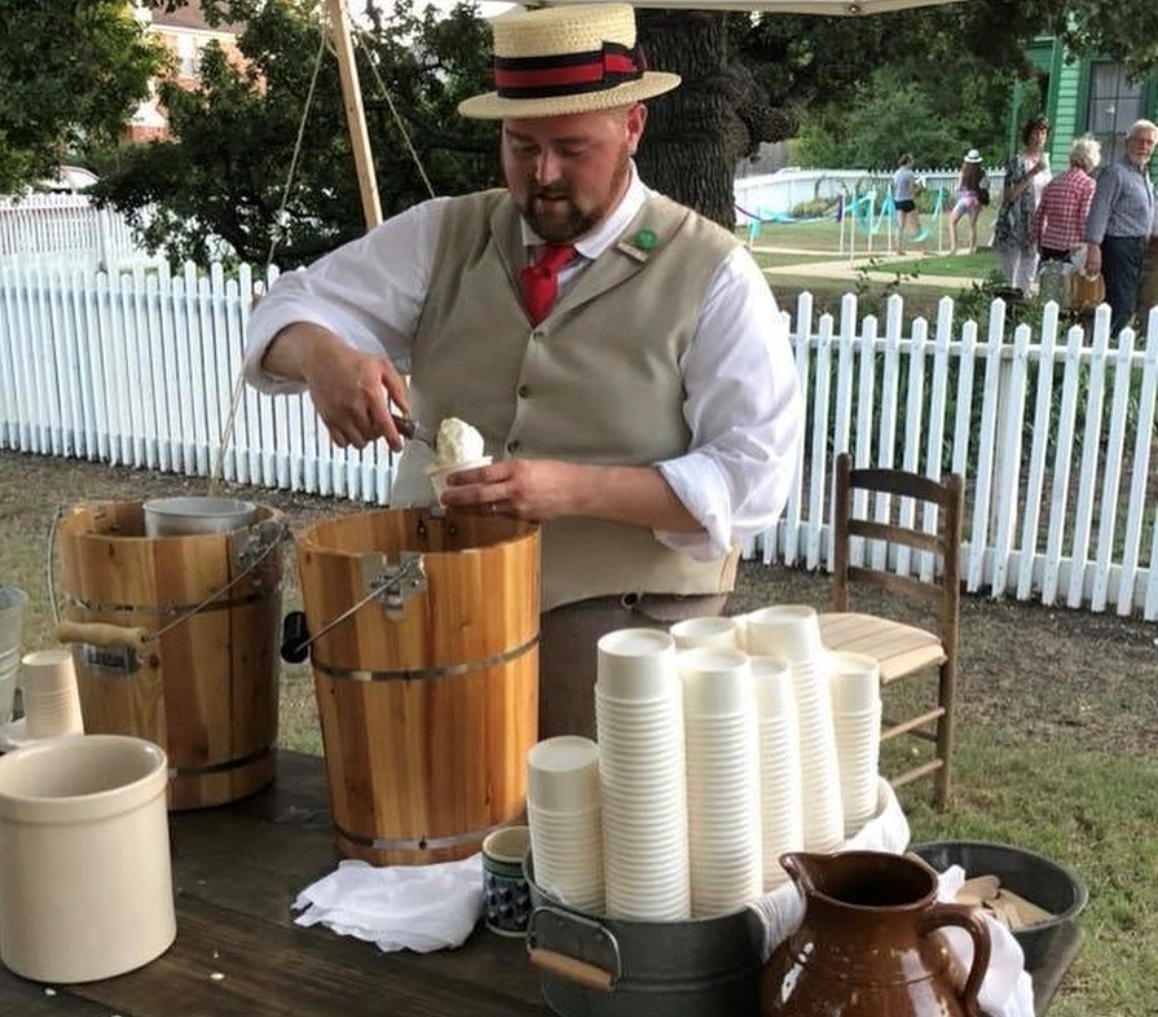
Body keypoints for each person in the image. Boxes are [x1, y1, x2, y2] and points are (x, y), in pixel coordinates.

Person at [242, 3, 802, 740]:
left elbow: (752, 477)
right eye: (520, 145)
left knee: (599, 838)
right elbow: (284, 306)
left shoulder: (713, 274)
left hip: (626, 630)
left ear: (633, 125)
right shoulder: (445, 233)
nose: (543, 175)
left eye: (572, 147)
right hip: (441, 604)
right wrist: (321, 356)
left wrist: (568, 488)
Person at [1083, 119, 1158, 337]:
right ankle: (1104, 347)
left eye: (1149, 143)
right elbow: (1099, 210)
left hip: (1140, 248)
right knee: (1121, 304)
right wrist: (1093, 247)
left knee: (1131, 303)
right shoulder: (1115, 173)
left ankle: (1107, 345)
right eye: (1139, 141)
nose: (1144, 147)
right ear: (1127, 144)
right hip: (1118, 246)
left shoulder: (1144, 177)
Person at [993, 115, 1051, 296]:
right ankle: (1006, 308)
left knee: (1029, 270)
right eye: (1036, 132)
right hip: (1014, 223)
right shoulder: (1018, 160)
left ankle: (1022, 306)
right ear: (1028, 134)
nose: (1040, 136)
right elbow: (1010, 195)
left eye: (1043, 132)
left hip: (1035, 224)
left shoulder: (1045, 162)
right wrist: (1033, 172)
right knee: (1010, 273)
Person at [1032, 135, 1101, 263]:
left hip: (1049, 245)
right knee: (1070, 283)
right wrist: (1088, 243)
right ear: (1091, 160)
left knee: (1050, 282)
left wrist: (1039, 240)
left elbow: (1039, 215)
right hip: (1072, 247)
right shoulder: (1088, 184)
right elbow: (1084, 218)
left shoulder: (1054, 181)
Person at [947, 149, 986, 254]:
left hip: (965, 199)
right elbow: (985, 186)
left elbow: (958, 188)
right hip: (976, 201)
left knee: (952, 221)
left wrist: (956, 192)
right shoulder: (982, 173)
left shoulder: (963, 173)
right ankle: (971, 249)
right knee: (972, 225)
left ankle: (954, 248)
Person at [891, 153, 922, 253]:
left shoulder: (896, 173)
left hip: (898, 200)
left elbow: (894, 187)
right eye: (911, 161)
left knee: (900, 225)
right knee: (916, 225)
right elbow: (911, 191)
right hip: (907, 201)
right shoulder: (909, 173)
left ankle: (898, 248)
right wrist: (919, 187)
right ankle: (923, 249)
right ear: (908, 162)